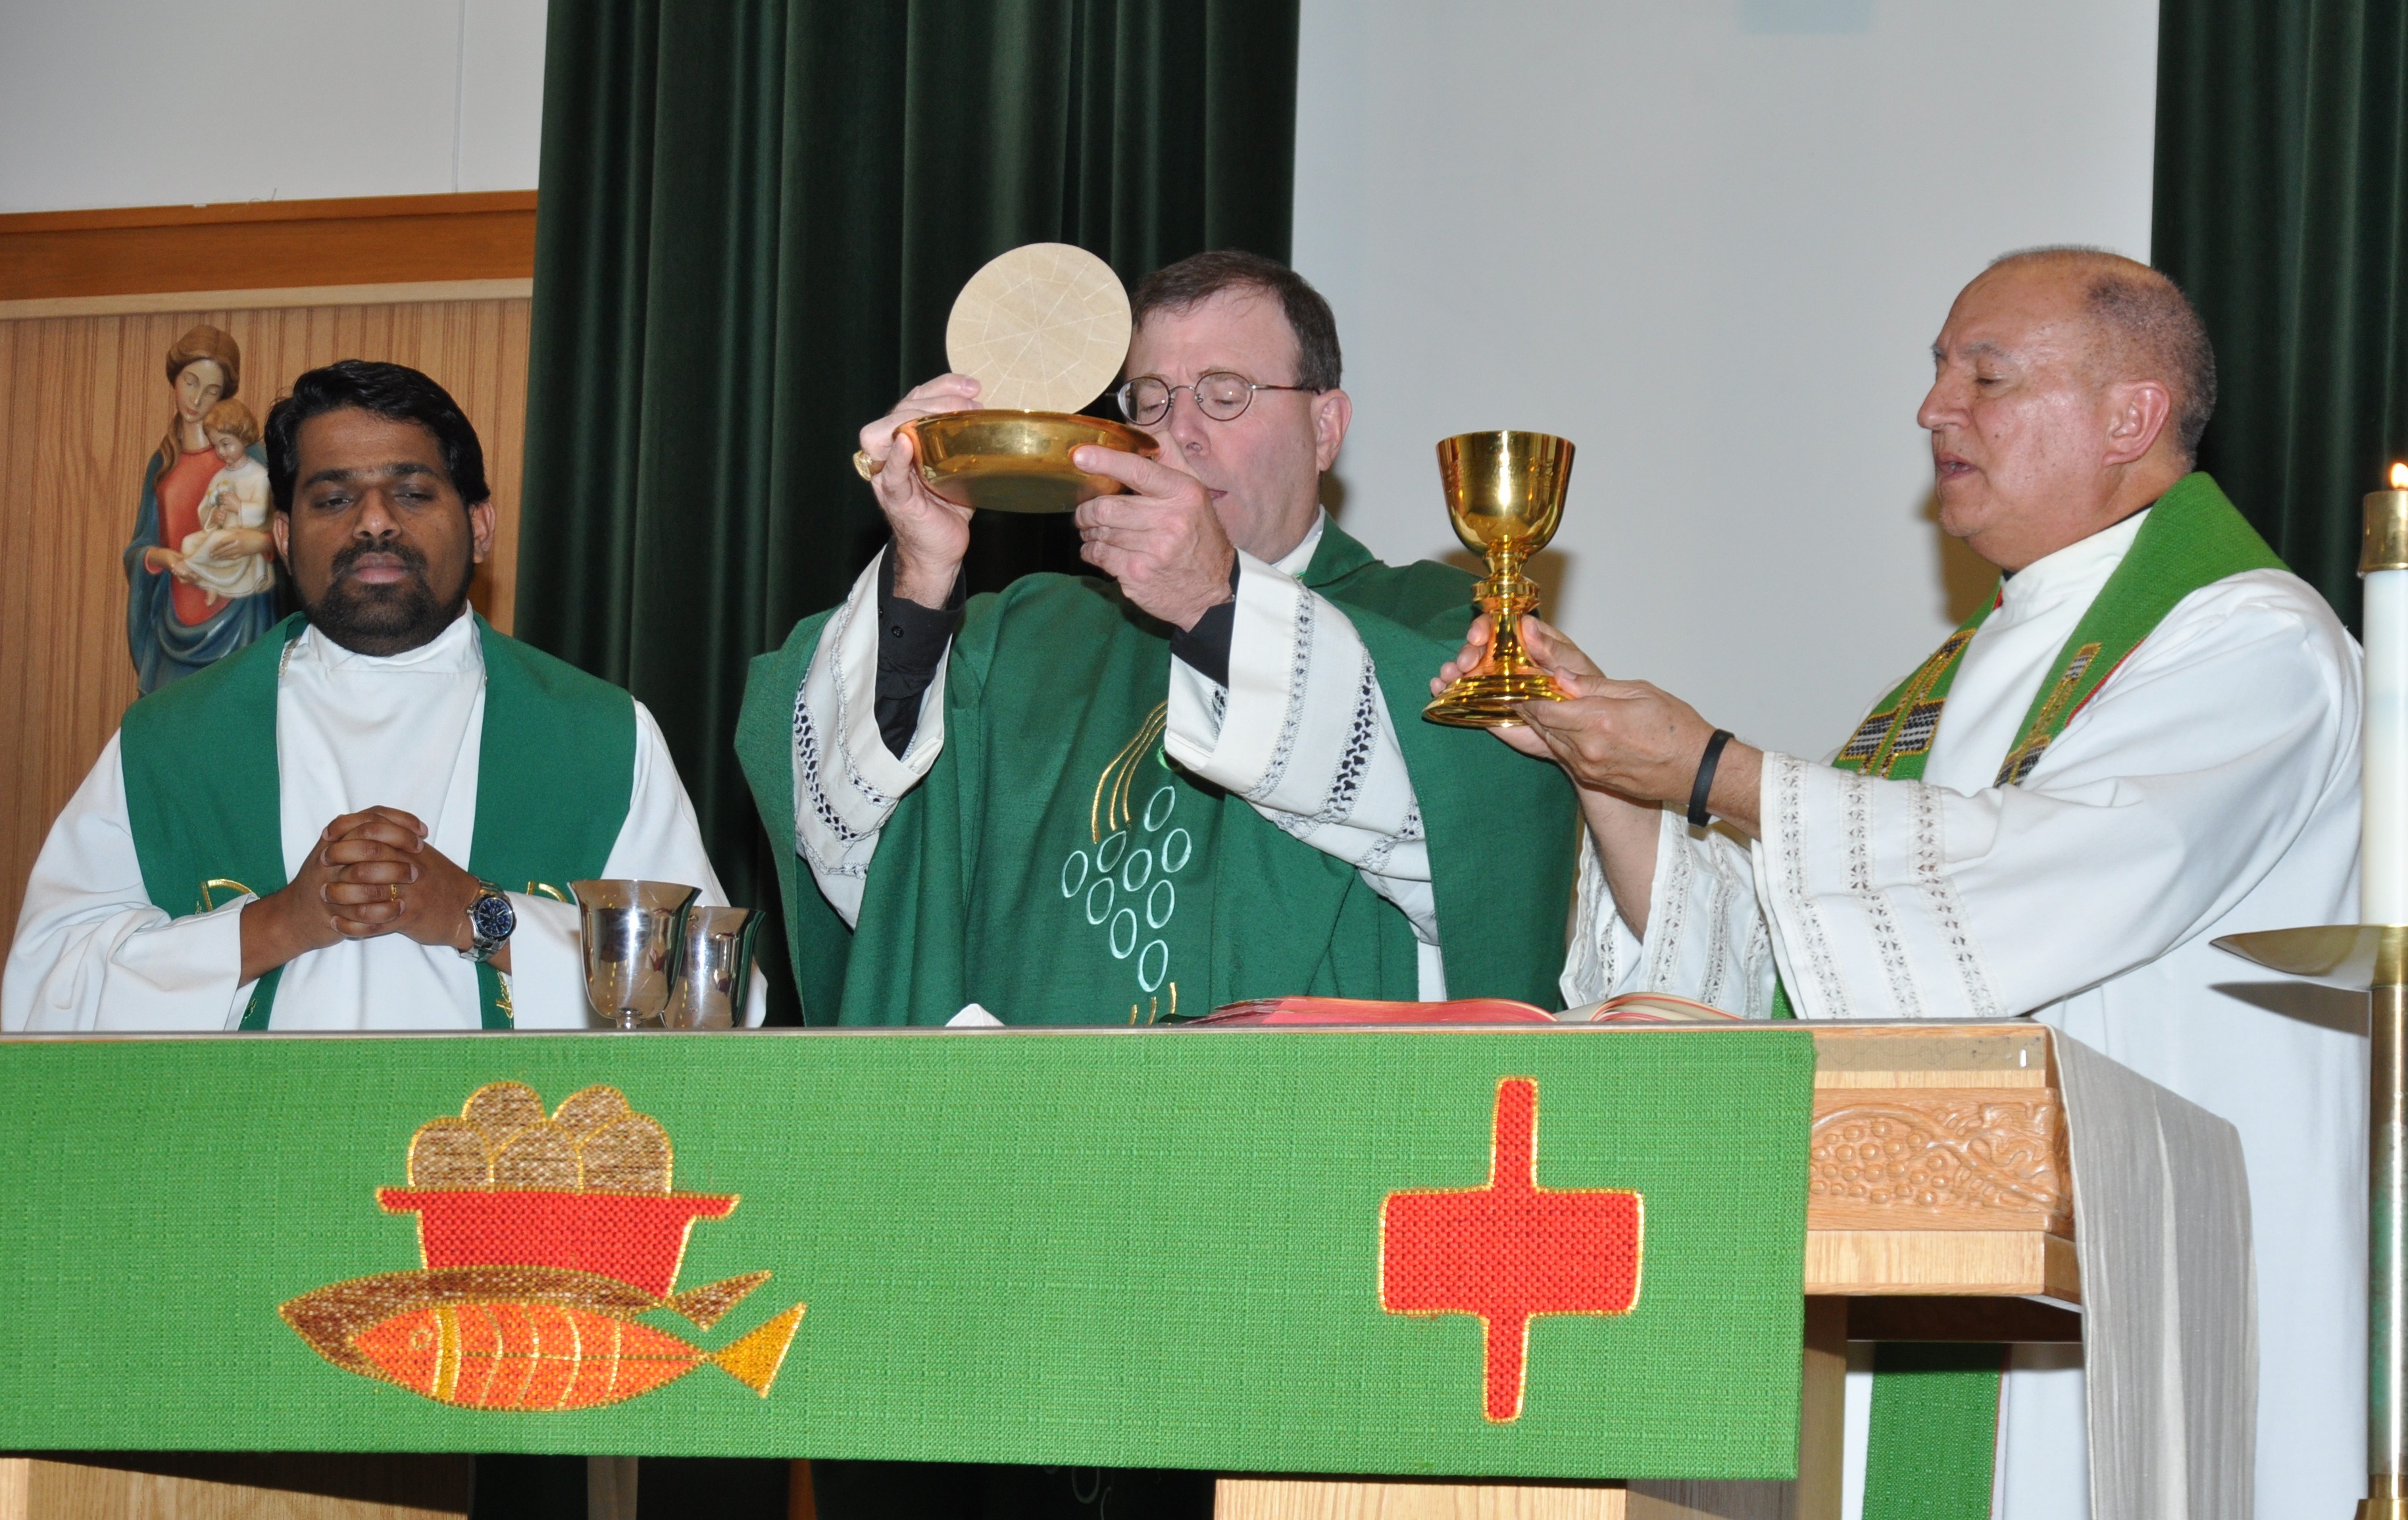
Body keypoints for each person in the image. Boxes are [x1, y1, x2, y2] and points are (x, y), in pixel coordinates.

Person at [1438, 248, 2362, 1517]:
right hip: (1945, 1266)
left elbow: (2050, 879)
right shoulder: (1980, 664)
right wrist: (1611, 769)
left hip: (2130, 1291)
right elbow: (1789, 958)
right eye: (1936, 373)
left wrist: (1719, 770)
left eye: (1985, 375)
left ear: (2131, 416)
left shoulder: (2249, 640)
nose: (1935, 409)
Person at [735, 251, 1578, 1518]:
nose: (1179, 433)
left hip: (1298, 1257)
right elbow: (849, 838)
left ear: (1328, 423)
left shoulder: (1439, 631)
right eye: (1146, 400)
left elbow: (1473, 833)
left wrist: (1219, 609)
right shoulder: (1021, 637)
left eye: (1226, 395)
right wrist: (919, 576)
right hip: (1014, 1257)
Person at [7, 359, 751, 1033]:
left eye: (412, 491)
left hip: (510, 1172)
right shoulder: (169, 742)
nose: (373, 521)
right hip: (240, 1165)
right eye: (333, 498)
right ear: (284, 538)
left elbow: (716, 997)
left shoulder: (599, 736)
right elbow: (43, 991)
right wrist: (277, 926)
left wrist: (478, 919)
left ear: (481, 527)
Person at [126, 325, 278, 690]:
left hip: (242, 616)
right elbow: (138, 549)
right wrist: (164, 558)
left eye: (211, 391)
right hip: (175, 618)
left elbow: (287, 531)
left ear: (224, 396)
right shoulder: (162, 464)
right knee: (173, 727)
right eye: (190, 382)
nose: (195, 400)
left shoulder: (250, 456)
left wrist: (258, 543)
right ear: (174, 380)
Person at [178, 399, 276, 607]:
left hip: (240, 541)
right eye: (216, 446)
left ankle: (188, 565)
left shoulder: (259, 475)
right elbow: (204, 507)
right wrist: (213, 516)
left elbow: (261, 513)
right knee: (188, 542)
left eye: (226, 444)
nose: (221, 452)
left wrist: (238, 507)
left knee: (219, 539)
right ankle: (211, 584)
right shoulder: (220, 476)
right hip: (219, 535)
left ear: (243, 438)